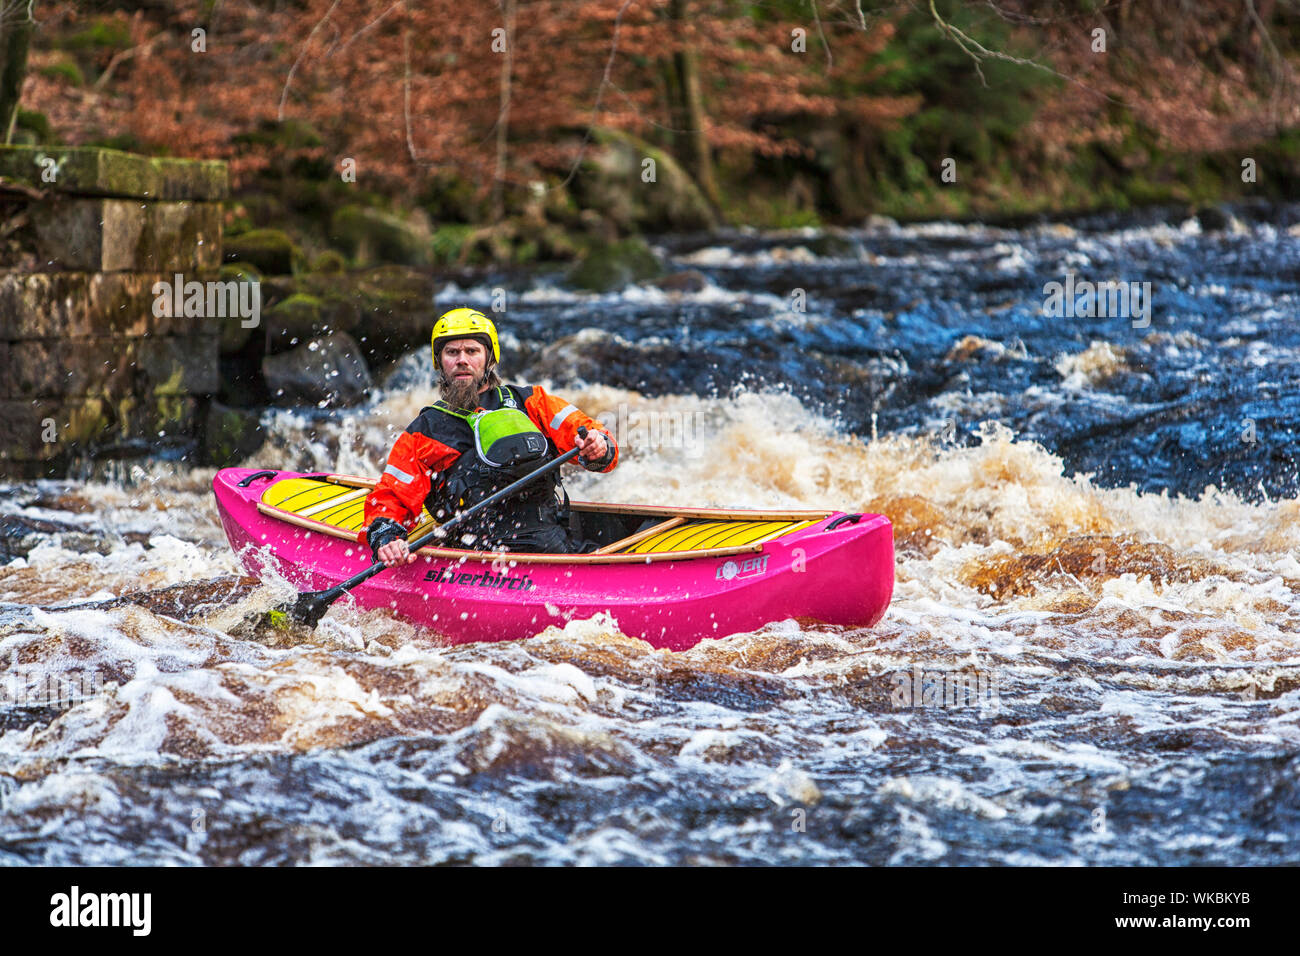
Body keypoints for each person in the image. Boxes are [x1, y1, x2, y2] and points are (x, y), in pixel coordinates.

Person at [361, 308, 618, 567]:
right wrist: (386, 537)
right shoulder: (424, 431)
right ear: (439, 362)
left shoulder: (531, 402)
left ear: (489, 358)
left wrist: (598, 447)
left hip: (551, 547)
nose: (462, 360)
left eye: (472, 351)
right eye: (452, 352)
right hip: (471, 560)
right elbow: (391, 497)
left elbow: (598, 443)